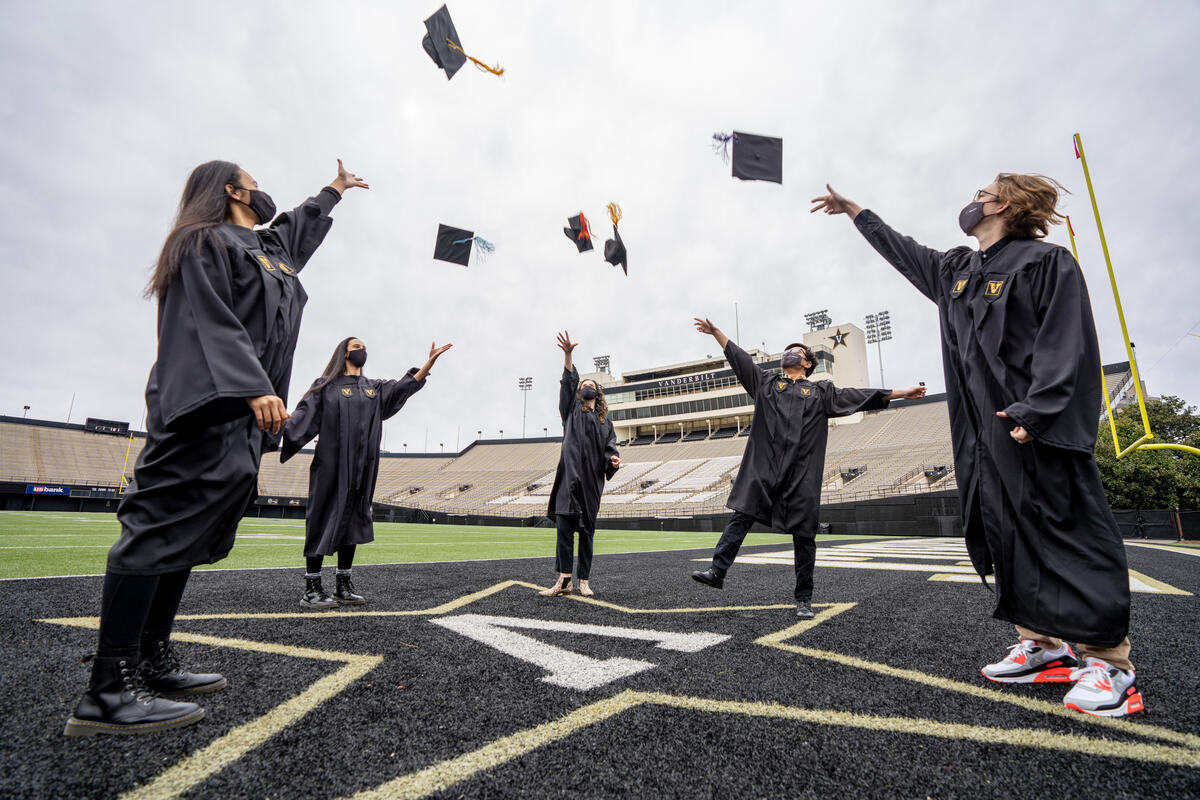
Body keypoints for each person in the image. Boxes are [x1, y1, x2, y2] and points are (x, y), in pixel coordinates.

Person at [811, 175, 1141, 717]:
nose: (974, 197)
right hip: (980, 429)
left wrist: (1038, 411)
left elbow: (1069, 340)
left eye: (984, 191)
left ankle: (1110, 663)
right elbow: (904, 252)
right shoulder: (958, 271)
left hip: (1033, 421)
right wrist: (856, 212)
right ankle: (1042, 644)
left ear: (1005, 204)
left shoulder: (1044, 262)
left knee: (1069, 528)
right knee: (1002, 531)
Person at [64, 159, 369, 737]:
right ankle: (107, 688)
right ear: (231, 191)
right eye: (253, 184)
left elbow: (297, 228)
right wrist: (253, 386)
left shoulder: (264, 247)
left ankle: (150, 660)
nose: (262, 190)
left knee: (186, 533)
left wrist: (335, 190)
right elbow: (209, 320)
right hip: (206, 404)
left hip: (242, 416)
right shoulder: (202, 241)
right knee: (156, 527)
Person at [690, 319, 924, 617]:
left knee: (804, 536)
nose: (790, 353)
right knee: (741, 516)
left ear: (808, 363)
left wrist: (902, 392)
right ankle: (717, 571)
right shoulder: (766, 384)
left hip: (800, 474)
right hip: (764, 468)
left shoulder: (821, 392)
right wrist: (717, 334)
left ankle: (803, 599)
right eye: (787, 351)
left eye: (796, 351)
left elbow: (859, 396)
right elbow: (740, 359)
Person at [281, 337, 451, 608]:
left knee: (353, 520)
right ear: (345, 354)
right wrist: (280, 424)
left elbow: (402, 389)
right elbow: (302, 418)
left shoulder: (374, 389)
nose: (362, 351)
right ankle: (312, 587)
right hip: (331, 465)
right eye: (357, 347)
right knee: (323, 517)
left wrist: (427, 364)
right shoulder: (325, 386)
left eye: (363, 347)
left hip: (364, 466)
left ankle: (342, 585)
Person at [539, 331, 621, 598]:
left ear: (597, 392)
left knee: (586, 533)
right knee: (564, 529)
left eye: (590, 383)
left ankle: (583, 580)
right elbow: (568, 383)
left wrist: (613, 460)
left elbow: (610, 447)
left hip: (590, 484)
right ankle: (564, 581)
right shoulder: (571, 411)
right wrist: (568, 355)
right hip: (568, 480)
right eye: (581, 383)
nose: (585, 385)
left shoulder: (605, 422)